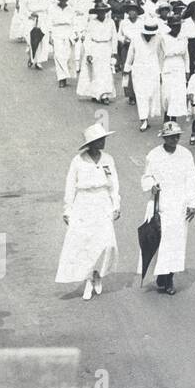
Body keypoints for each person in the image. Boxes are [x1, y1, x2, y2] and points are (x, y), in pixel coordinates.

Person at [55, 123, 121, 301]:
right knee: (85, 243)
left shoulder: (108, 159)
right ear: (90, 143)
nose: (103, 143)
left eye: (103, 139)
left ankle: (97, 273)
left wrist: (116, 205)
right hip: (83, 203)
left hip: (103, 202)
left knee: (107, 243)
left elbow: (114, 183)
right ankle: (88, 280)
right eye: (99, 140)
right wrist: (67, 209)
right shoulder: (78, 161)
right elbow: (70, 186)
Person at [140, 121, 195, 295]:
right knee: (162, 241)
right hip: (161, 204)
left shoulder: (186, 154)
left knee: (176, 243)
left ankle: (169, 277)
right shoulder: (154, 155)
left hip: (179, 204)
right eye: (170, 137)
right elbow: (146, 177)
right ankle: (162, 274)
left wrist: (192, 203)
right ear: (164, 138)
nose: (174, 139)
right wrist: (152, 185)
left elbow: (192, 179)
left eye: (177, 136)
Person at [125, 20, 163, 131]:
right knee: (141, 95)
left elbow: (161, 55)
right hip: (139, 69)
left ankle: (148, 115)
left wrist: (160, 71)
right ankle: (144, 119)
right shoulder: (136, 38)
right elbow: (130, 54)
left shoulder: (158, 38)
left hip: (153, 69)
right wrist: (126, 68)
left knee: (151, 93)